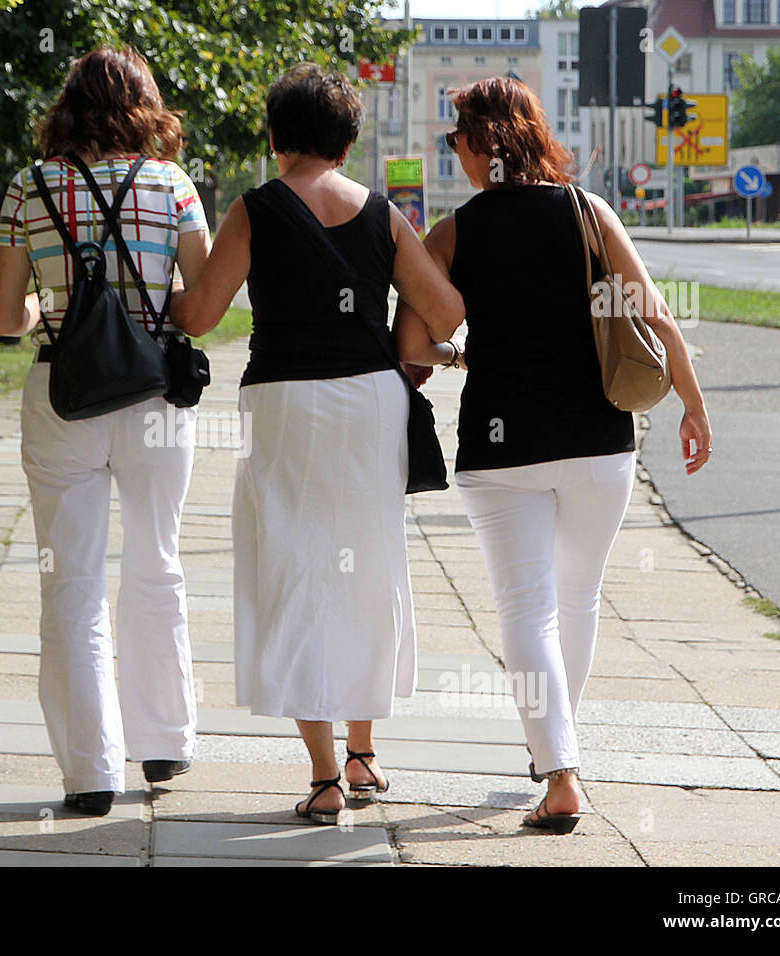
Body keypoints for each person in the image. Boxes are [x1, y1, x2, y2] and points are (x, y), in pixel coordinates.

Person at [396, 76, 713, 833]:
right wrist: (694, 404)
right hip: (600, 440)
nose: (456, 154)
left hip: (501, 448)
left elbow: (411, 344)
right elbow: (653, 312)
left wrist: (461, 355)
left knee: (525, 609)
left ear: (482, 142)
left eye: (457, 140)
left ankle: (560, 769)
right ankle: (558, 754)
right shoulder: (587, 212)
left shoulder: (455, 233)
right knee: (576, 599)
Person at [171, 64, 464, 824]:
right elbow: (445, 306)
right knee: (368, 566)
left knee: (295, 569)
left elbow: (201, 314)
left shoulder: (255, 210)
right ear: (347, 139)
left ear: (275, 137)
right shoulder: (382, 214)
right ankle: (364, 756)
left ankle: (326, 774)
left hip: (284, 402)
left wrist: (150, 291)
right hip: (370, 401)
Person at [0, 46, 211, 816]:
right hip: (153, 395)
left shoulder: (28, 186)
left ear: (68, 106)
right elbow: (198, 305)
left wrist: (53, 308)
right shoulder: (173, 186)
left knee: (71, 585)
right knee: (158, 563)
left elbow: (3, 318)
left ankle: (89, 771)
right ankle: (165, 741)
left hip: (63, 393)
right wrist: (142, 304)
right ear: (144, 106)